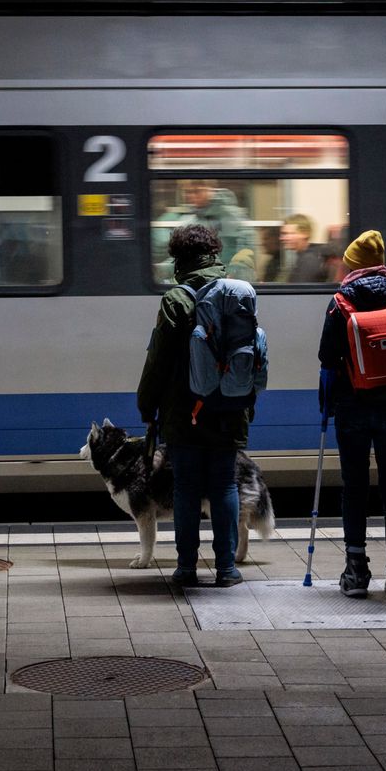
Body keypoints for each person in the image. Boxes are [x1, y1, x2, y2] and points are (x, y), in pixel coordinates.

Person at [137, 224, 247, 587]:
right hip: (229, 407)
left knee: (185, 487)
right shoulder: (237, 294)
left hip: (184, 411)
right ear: (215, 254)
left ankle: (186, 568)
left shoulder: (175, 299)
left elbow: (158, 361)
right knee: (224, 487)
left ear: (177, 259)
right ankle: (227, 569)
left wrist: (146, 404)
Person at [318, 230, 386, 599]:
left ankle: (356, 572)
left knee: (355, 489)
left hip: (353, 410)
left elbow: (327, 361)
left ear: (353, 264)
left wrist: (327, 405)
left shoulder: (339, 302)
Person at [151, 180, 256, 281]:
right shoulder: (191, 220)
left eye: (197, 191)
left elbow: (246, 250)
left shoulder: (231, 216)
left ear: (211, 190)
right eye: (187, 192)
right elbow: (185, 257)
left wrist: (235, 274)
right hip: (205, 281)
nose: (191, 196)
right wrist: (160, 270)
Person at [278, 214, 325, 283]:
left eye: (288, 234)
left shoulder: (309, 260)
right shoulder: (304, 257)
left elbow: (298, 290)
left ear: (305, 234)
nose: (282, 238)